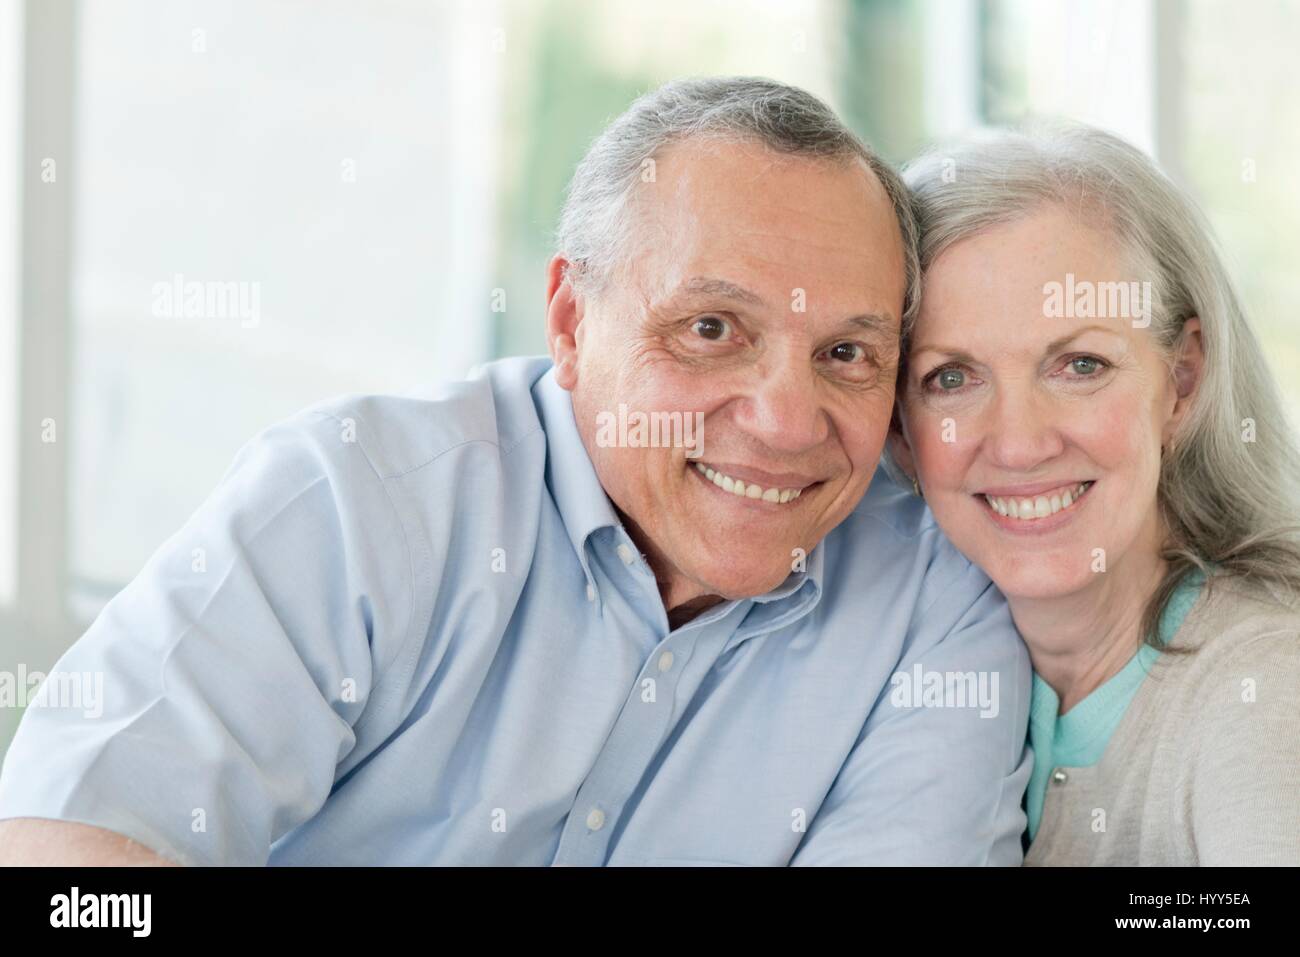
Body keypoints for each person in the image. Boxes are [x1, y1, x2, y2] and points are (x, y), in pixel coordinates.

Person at [0, 77, 1031, 866]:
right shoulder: (360, 499)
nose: (783, 420)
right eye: (711, 329)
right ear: (573, 324)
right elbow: (70, 855)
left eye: (846, 354)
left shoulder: (936, 609)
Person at [891, 122, 1300, 865]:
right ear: (898, 431)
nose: (1018, 442)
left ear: (1181, 382)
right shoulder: (912, 667)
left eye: (1079, 365)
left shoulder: (1268, 679)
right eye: (950, 377)